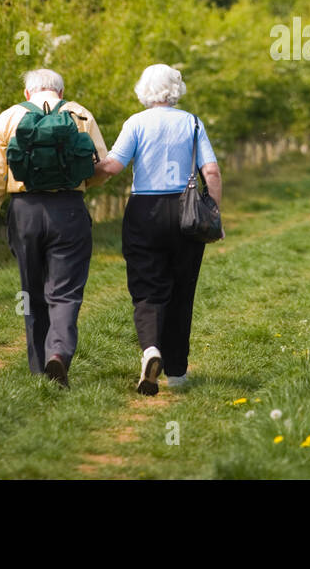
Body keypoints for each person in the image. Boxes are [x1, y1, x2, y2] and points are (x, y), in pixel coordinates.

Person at [0, 69, 110, 389]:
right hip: (69, 211)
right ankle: (57, 354)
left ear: (27, 92)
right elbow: (101, 166)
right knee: (65, 291)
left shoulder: (8, 118)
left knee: (31, 292)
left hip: (25, 213)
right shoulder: (79, 114)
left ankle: (38, 370)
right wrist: (80, 182)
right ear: (61, 92)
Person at [95, 64, 223, 395]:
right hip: (187, 214)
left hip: (144, 213)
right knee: (183, 290)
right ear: (176, 89)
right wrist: (215, 214)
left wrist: (81, 168)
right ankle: (178, 374)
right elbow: (211, 171)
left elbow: (113, 166)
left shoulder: (136, 123)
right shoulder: (193, 122)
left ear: (144, 90)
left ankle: (151, 349)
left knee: (148, 287)